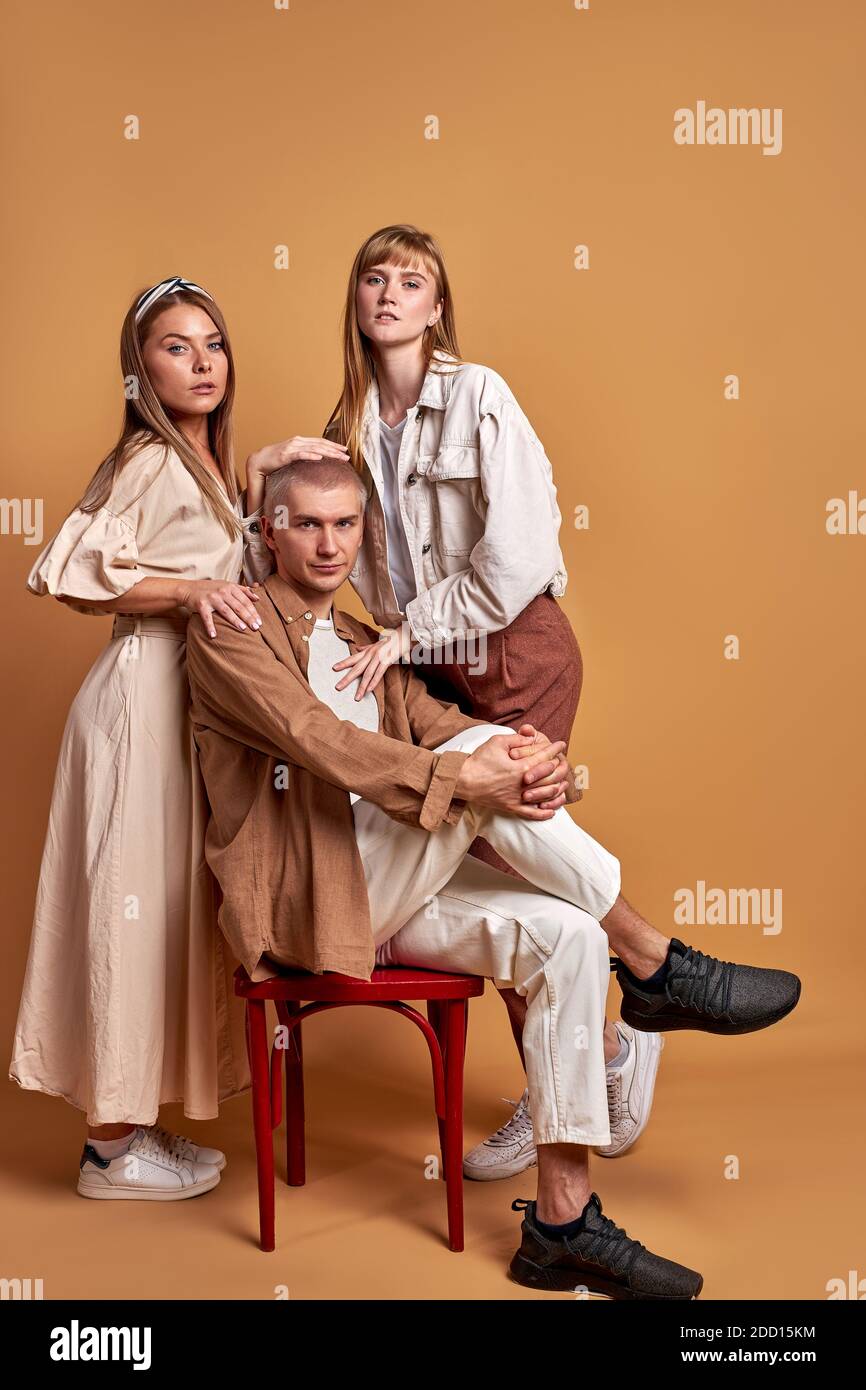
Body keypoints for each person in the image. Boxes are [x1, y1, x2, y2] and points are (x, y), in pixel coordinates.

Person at [184, 458, 802, 1298]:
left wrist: (542, 768)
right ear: (268, 531)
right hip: (314, 905)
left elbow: (455, 726)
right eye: (306, 524)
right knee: (475, 762)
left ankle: (561, 1223)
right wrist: (475, 776)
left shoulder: (369, 643)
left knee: (570, 935)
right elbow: (320, 742)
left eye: (345, 524)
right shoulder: (232, 629)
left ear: (363, 532)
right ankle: (657, 963)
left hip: (404, 890)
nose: (329, 544)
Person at [240, 224, 661, 1174]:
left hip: (512, 654)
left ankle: (593, 1059)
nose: (390, 294)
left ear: (438, 307)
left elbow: (511, 564)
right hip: (427, 674)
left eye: (412, 281)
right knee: (496, 861)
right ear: (355, 300)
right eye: (374, 279)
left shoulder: (479, 396)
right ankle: (601, 1053)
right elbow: (292, 548)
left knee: (511, 847)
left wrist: (405, 633)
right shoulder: (344, 430)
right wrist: (264, 470)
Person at [7, 276, 328, 1201]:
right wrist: (189, 593)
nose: (201, 362)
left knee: (161, 909)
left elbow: (234, 561)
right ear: (138, 370)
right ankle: (109, 1149)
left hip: (183, 707)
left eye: (213, 344)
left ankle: (132, 1123)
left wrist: (259, 480)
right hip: (139, 699)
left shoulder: (200, 468)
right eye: (176, 346)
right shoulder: (149, 457)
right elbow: (66, 572)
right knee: (124, 901)